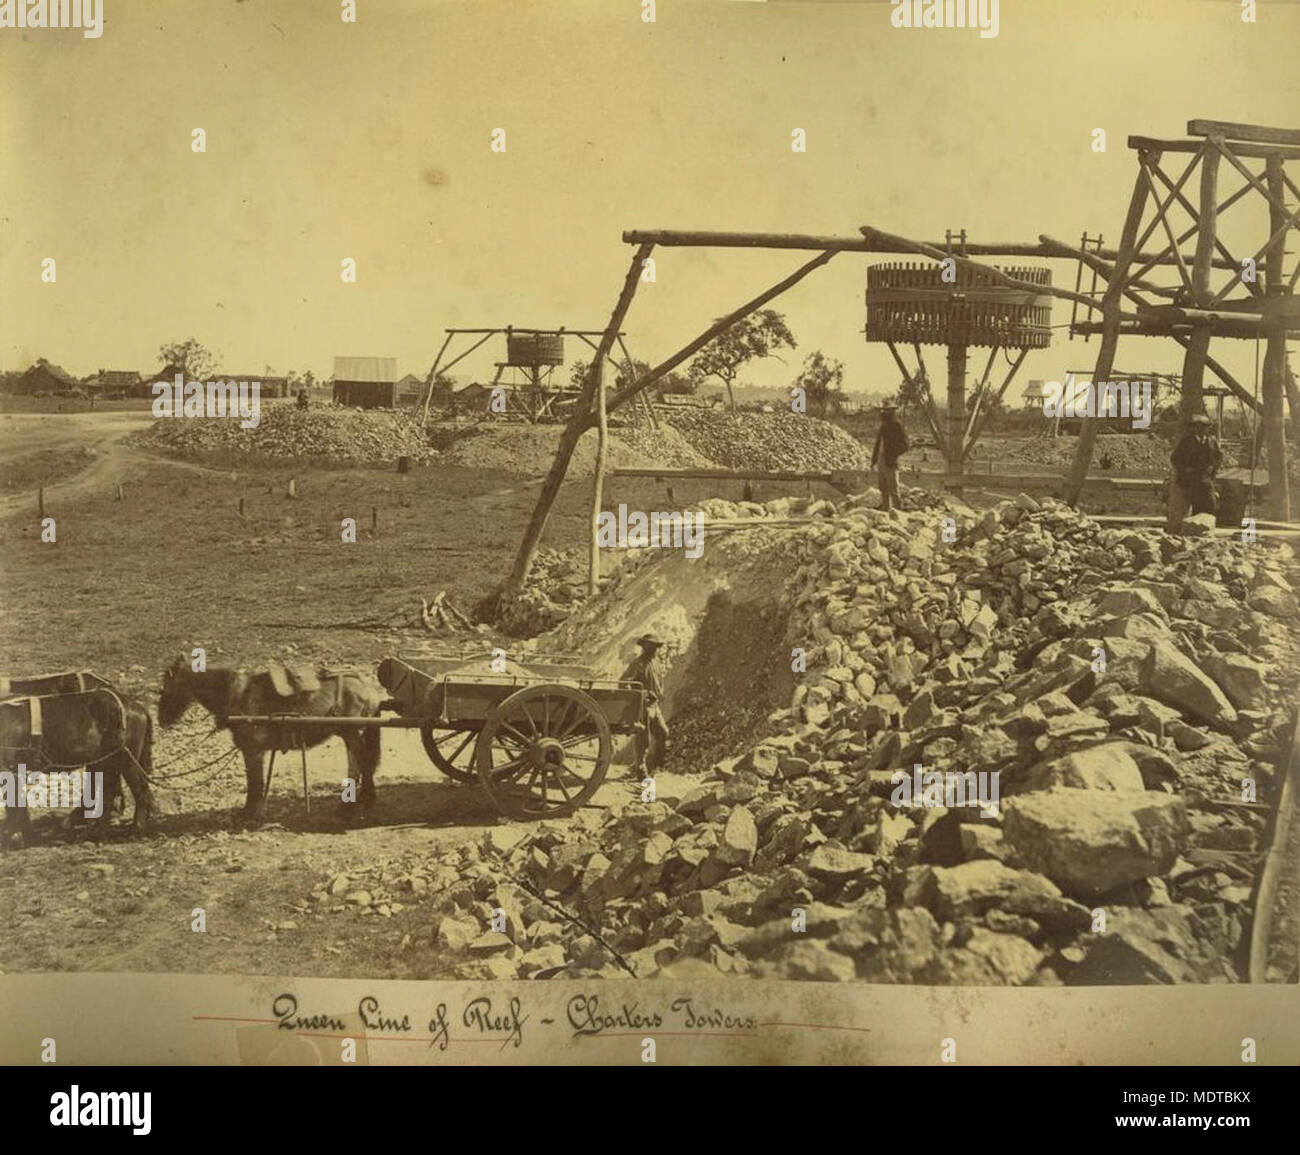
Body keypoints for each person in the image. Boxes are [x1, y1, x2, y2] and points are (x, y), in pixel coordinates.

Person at [622, 633, 669, 773]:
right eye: (651, 646)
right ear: (644, 646)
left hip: (654, 705)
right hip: (643, 705)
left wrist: (660, 693)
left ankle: (653, 765)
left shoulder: (655, 662)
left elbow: (659, 681)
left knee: (663, 733)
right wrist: (638, 696)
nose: (654, 649)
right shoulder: (638, 664)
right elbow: (624, 683)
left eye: (656, 646)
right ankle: (640, 769)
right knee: (643, 739)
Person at [1167, 412, 1222, 532]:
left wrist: (1213, 470)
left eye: (1204, 427)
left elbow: (1218, 457)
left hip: (1206, 479)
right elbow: (1175, 458)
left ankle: (1206, 529)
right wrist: (1185, 469)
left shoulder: (1212, 441)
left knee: (1209, 504)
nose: (1201, 429)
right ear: (1194, 428)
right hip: (1190, 480)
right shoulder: (1187, 441)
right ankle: (1192, 530)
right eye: (1198, 427)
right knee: (1192, 506)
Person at [871, 403, 910, 511]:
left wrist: (893, 454)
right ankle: (886, 510)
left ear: (892, 412)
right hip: (881, 460)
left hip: (890, 461)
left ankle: (897, 512)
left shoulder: (897, 426)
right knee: (883, 488)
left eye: (887, 410)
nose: (883, 412)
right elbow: (877, 445)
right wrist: (874, 461)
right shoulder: (883, 426)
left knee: (893, 489)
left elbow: (906, 445)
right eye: (884, 410)